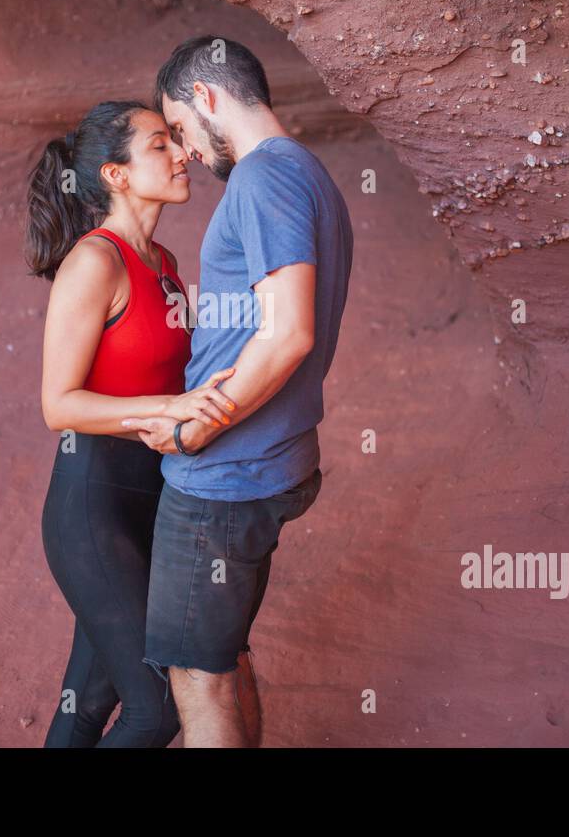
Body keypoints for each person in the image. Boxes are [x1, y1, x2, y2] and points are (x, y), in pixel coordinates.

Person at [122, 36, 354, 747]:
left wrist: (195, 431)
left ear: (209, 98)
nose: (184, 152)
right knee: (222, 659)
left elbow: (287, 336)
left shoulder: (264, 178)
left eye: (183, 130)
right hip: (262, 462)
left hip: (224, 476)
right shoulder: (305, 174)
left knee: (199, 678)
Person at [25, 100, 237, 747]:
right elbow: (58, 405)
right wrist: (167, 408)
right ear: (116, 175)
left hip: (153, 506)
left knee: (86, 704)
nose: (181, 155)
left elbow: (170, 377)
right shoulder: (95, 262)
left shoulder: (164, 264)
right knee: (159, 710)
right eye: (158, 145)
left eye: (176, 140)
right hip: (92, 510)